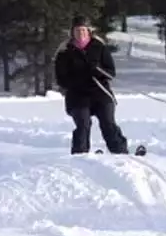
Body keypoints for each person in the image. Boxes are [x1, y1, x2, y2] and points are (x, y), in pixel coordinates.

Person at [54, 16, 130, 154]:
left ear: (89, 31)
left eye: (83, 30)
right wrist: (79, 78)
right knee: (83, 125)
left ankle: (120, 152)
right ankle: (80, 154)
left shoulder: (99, 47)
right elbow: (61, 80)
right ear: (72, 32)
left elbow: (111, 73)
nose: (80, 33)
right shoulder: (64, 52)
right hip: (78, 96)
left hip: (101, 93)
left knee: (108, 124)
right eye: (77, 30)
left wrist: (98, 71)